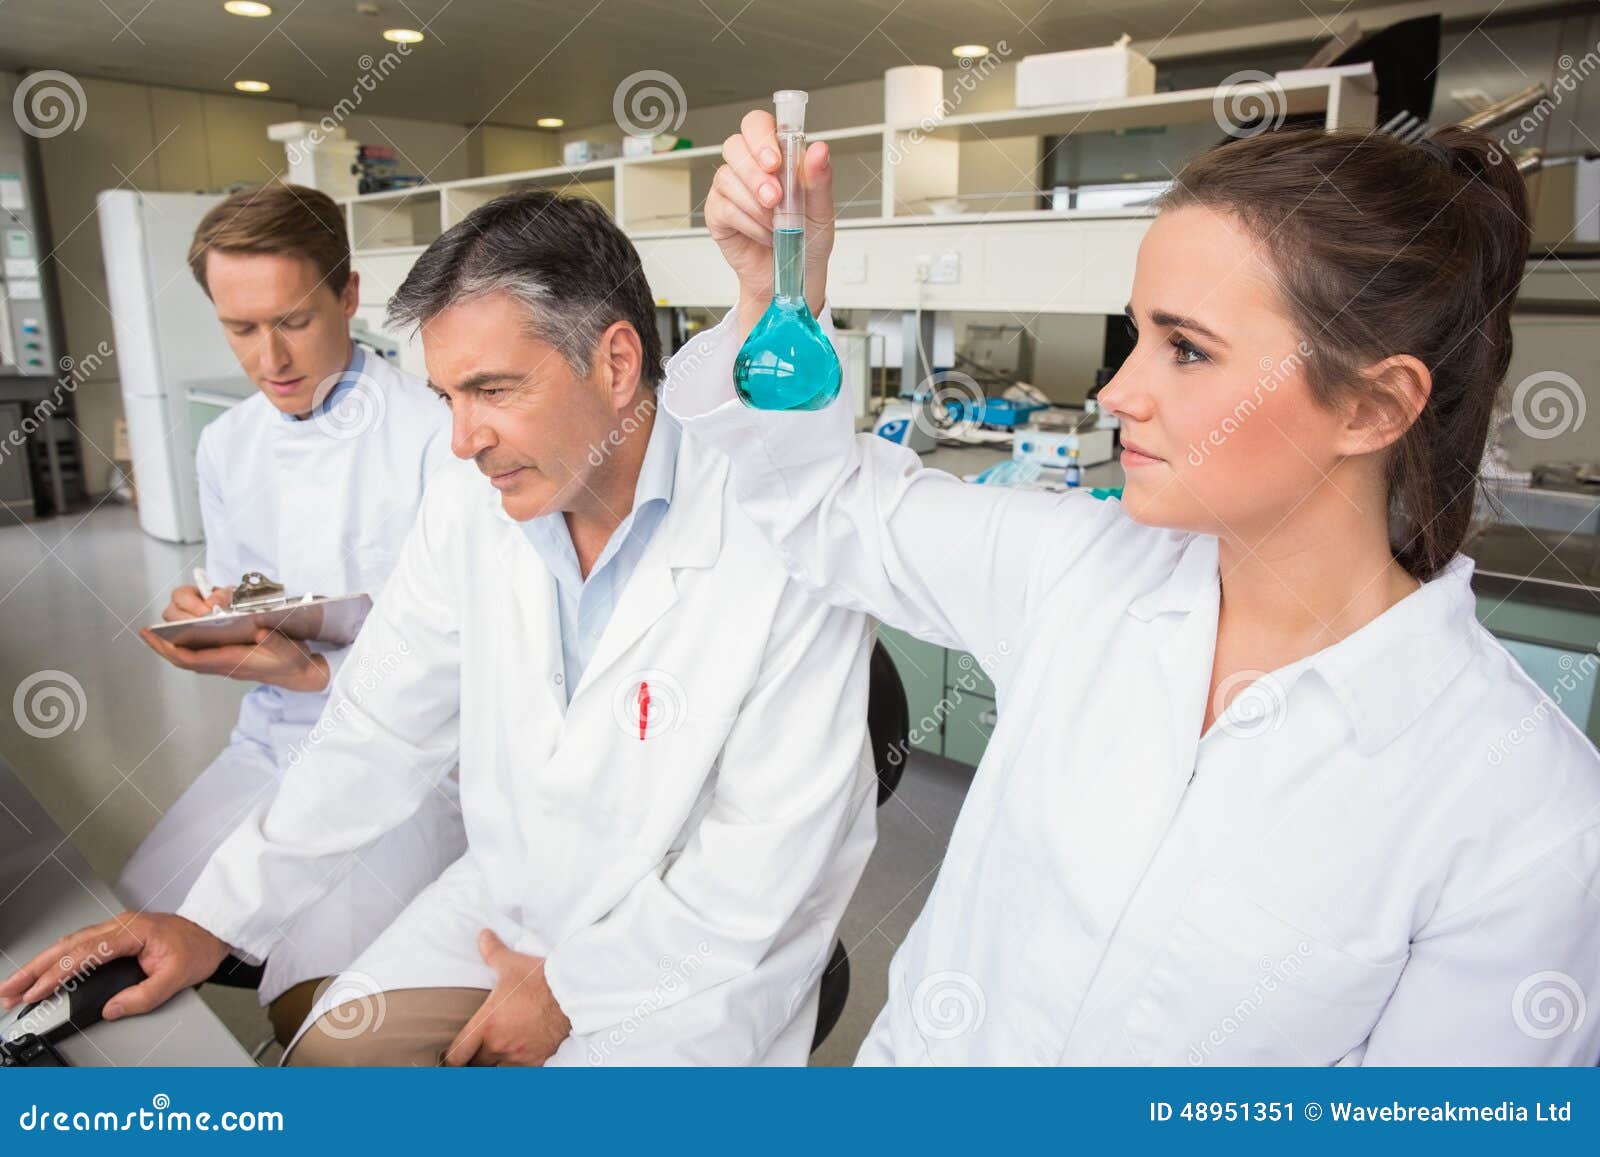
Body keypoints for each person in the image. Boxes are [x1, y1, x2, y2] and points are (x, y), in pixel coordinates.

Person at [659, 111, 1600, 1064]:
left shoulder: (1526, 814)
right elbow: (828, 507)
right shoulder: (1080, 572)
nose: (1117, 390)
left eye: (1185, 348)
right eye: (1136, 334)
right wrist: (776, 296)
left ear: (1371, 405)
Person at [3, 190, 876, 1067]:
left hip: (693, 958)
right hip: (516, 900)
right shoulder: (474, 501)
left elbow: (762, 862)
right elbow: (377, 728)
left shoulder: (787, 529)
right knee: (327, 1060)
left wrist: (567, 989)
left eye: (492, 389)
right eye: (447, 395)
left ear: (615, 363)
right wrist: (212, 919)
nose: (461, 440)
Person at [115, 183, 466, 1045]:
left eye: (294, 320)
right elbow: (253, 594)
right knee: (123, 944)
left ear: (348, 294)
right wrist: (220, 623)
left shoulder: (435, 435)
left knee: (316, 1014)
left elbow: (462, 659)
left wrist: (314, 670)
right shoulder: (227, 445)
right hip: (270, 742)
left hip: (412, 763)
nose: (270, 356)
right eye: (240, 328)